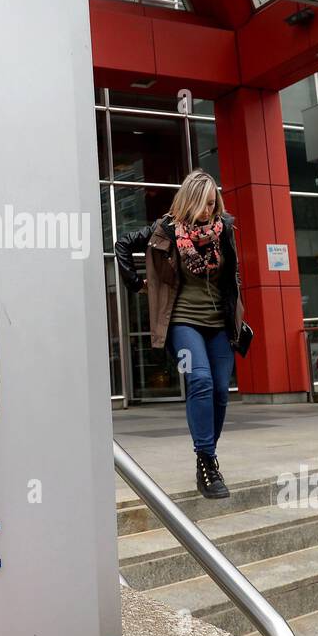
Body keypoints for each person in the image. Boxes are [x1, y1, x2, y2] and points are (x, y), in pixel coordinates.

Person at [114, 171, 246, 500]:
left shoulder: (224, 228)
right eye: (202, 205)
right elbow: (123, 245)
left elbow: (233, 275)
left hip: (219, 324)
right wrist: (138, 284)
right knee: (199, 380)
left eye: (212, 205)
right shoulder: (167, 230)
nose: (207, 212)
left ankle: (208, 456)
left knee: (220, 391)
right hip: (182, 322)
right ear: (189, 201)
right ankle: (206, 462)